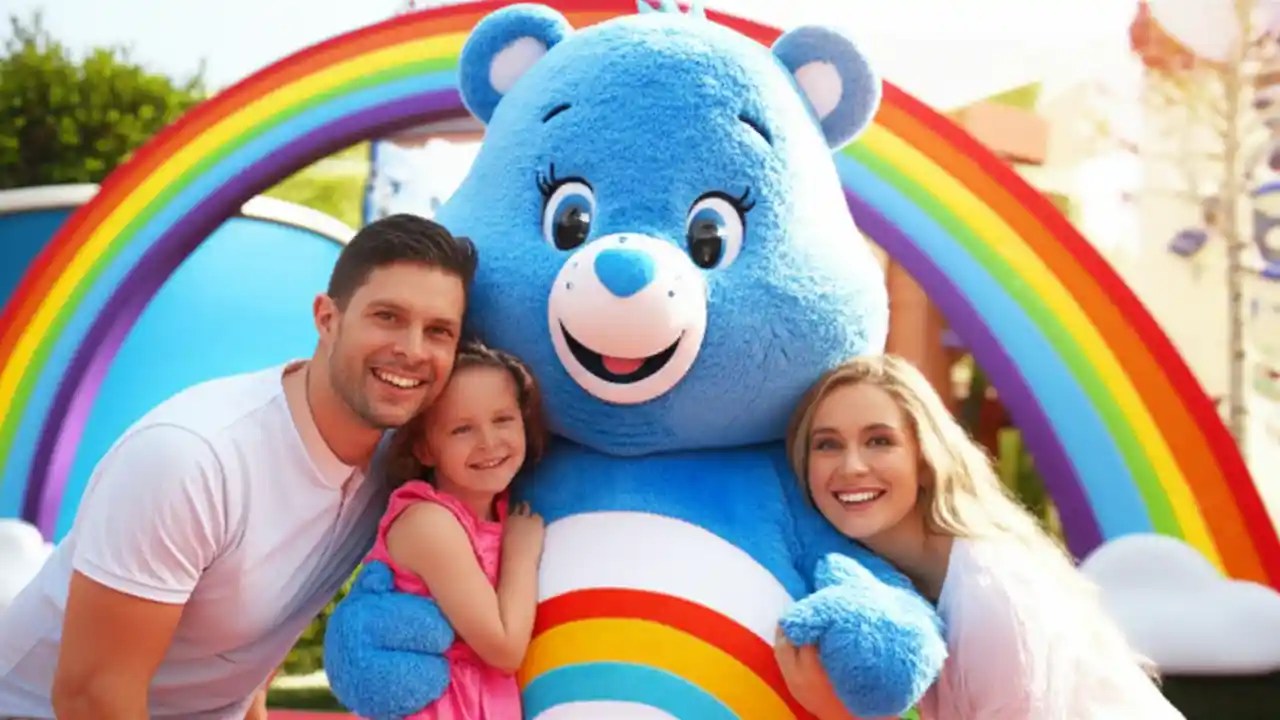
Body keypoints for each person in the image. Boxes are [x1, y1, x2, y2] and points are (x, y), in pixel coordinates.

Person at [0, 213, 477, 720]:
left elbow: (256, 641)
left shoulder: (394, 462)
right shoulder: (192, 459)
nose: (412, 350)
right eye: (388, 317)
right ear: (327, 318)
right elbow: (92, 697)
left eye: (439, 331)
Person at [772, 355, 1185, 720]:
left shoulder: (990, 594)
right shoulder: (884, 584)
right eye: (827, 445)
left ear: (925, 458)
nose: (853, 466)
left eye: (879, 441)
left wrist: (837, 712)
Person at [339, 340, 548, 719]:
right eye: (461, 429)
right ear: (424, 449)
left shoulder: (501, 512)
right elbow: (504, 650)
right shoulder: (429, 522)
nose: (489, 442)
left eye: (503, 419)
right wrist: (521, 555)